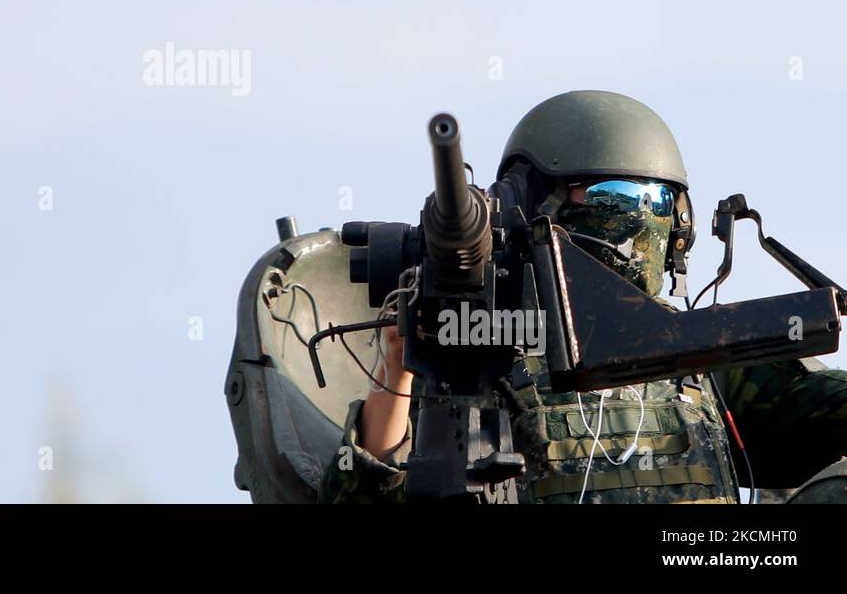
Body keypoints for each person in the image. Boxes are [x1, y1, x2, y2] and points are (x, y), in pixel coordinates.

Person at [318, 90, 847, 503]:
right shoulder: (480, 354)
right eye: (608, 196)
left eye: (655, 198)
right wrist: (401, 365)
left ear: (681, 224)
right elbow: (362, 495)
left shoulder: (702, 357)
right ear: (534, 207)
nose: (639, 217)